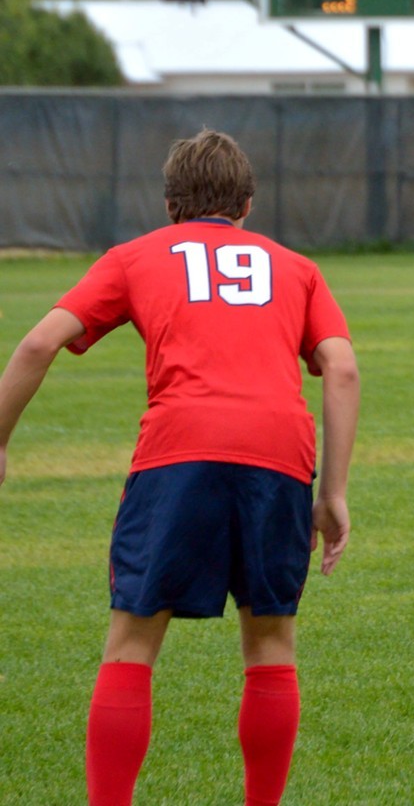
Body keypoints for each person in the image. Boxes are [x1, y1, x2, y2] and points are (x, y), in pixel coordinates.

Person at [0, 128, 360, 806]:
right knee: (271, 646)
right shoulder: (297, 266)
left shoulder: (135, 257)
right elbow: (340, 366)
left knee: (132, 644)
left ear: (169, 206)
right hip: (279, 454)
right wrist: (333, 491)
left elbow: (39, 342)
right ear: (248, 205)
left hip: (178, 450)